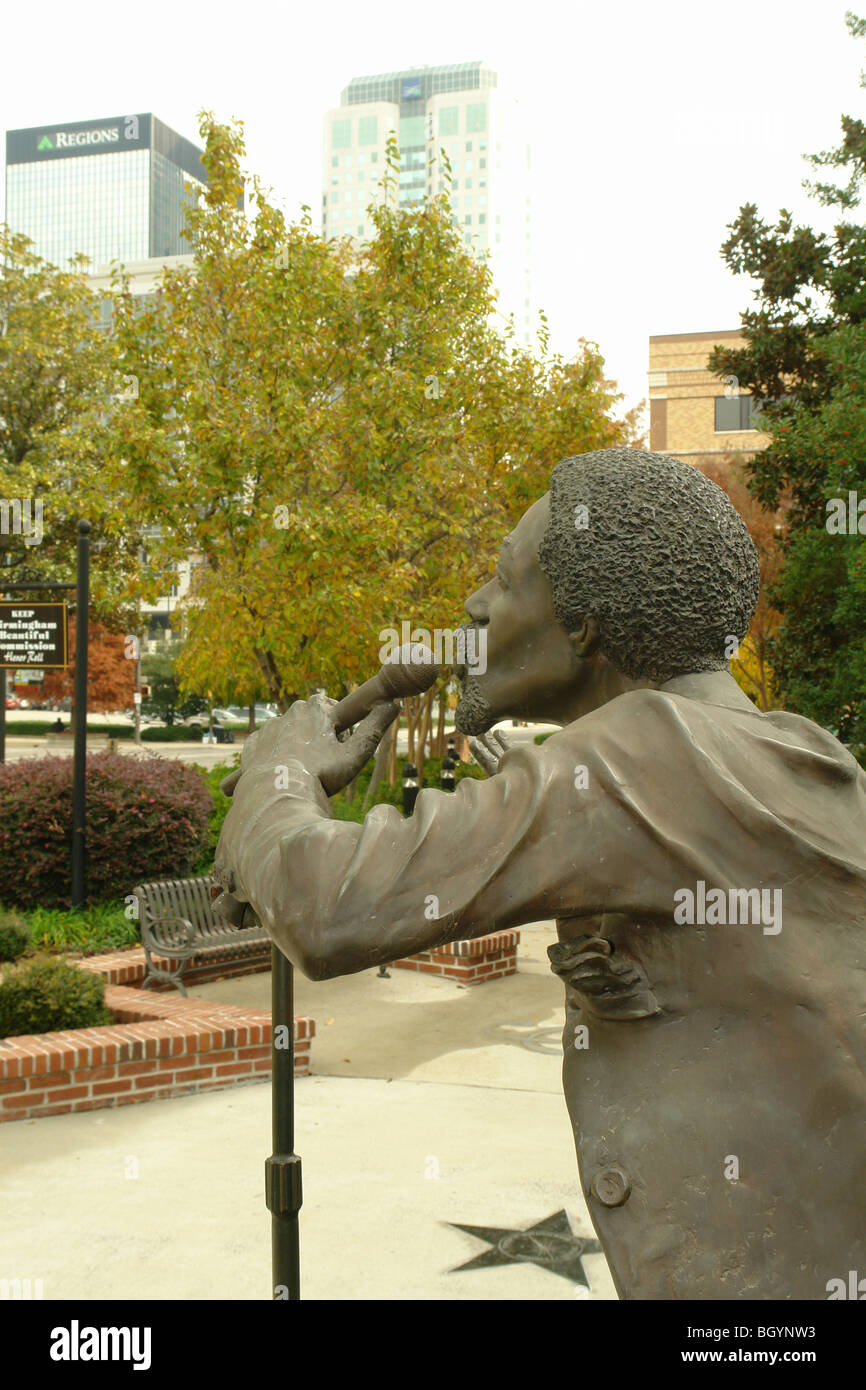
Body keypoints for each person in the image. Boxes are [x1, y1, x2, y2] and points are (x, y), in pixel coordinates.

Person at [213, 448, 866, 1301]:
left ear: (585, 623)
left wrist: (280, 776)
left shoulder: (643, 756)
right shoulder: (806, 753)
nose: (474, 609)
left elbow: (328, 906)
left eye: (504, 580)